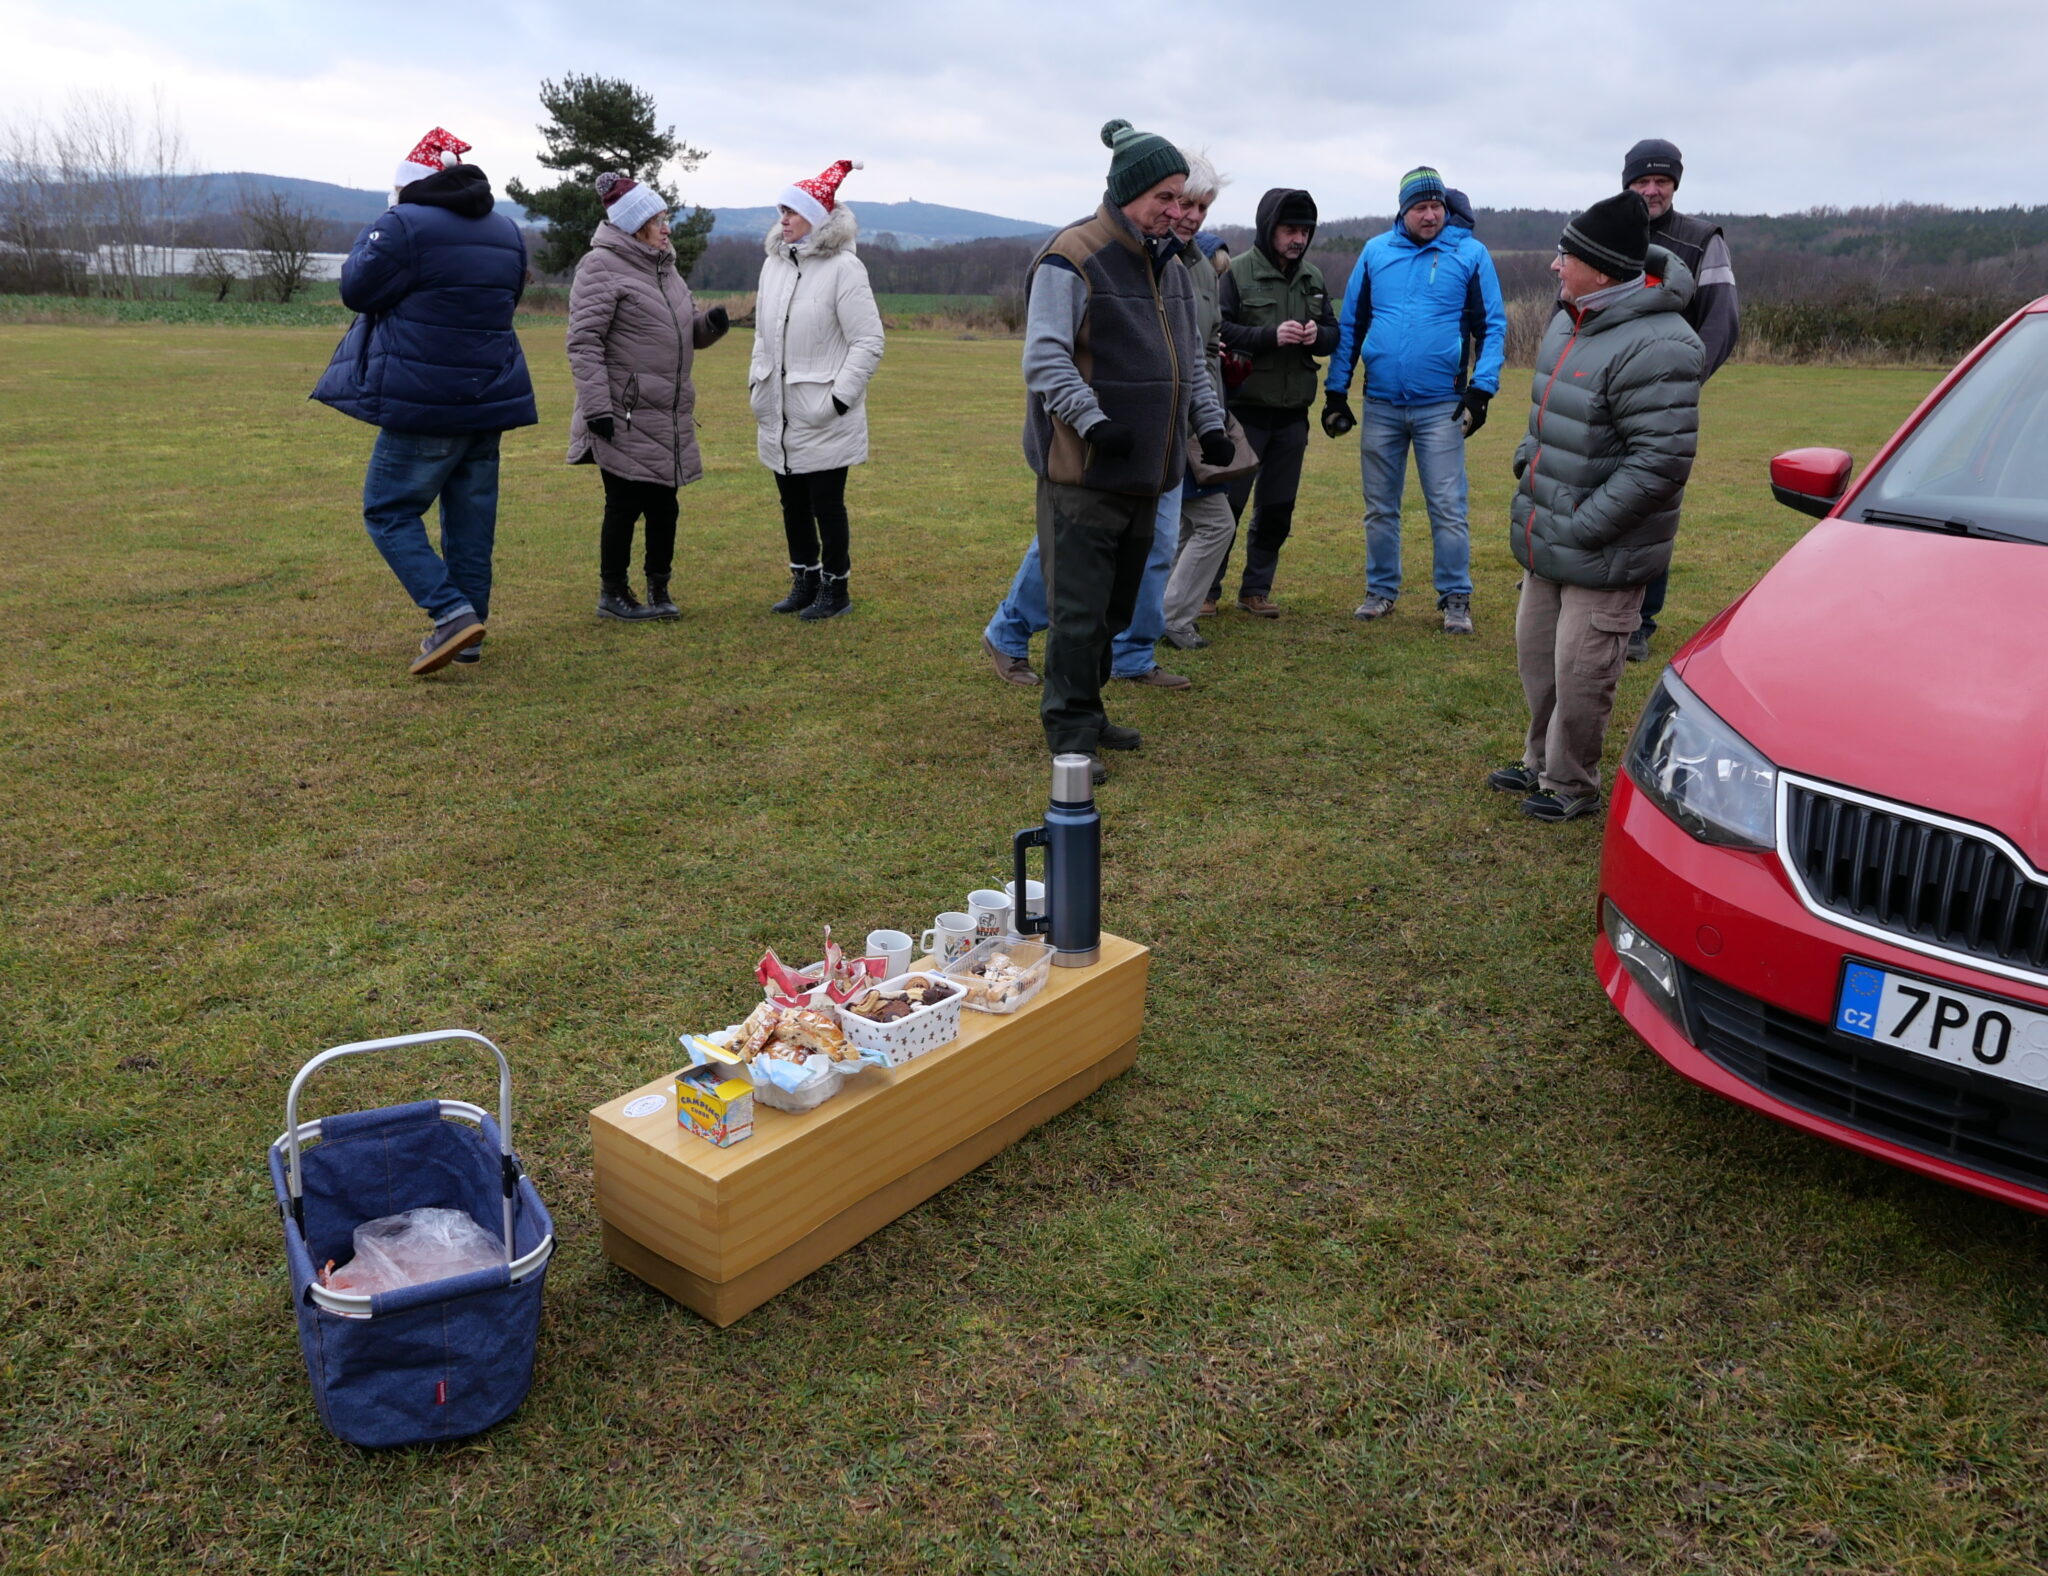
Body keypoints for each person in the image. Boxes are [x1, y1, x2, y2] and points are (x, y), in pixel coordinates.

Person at [1019, 119, 1231, 781]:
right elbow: (1045, 358)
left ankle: (1091, 708)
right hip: (1083, 471)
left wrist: (1210, 425)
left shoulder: (1171, 266)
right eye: (1164, 197)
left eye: (1181, 198)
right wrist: (1093, 422)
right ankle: (1070, 735)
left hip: (1148, 473)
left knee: (1113, 609)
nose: (1175, 210)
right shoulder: (1072, 255)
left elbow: (1190, 362)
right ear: (1128, 192)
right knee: (1079, 612)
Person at [1489, 191, 1702, 822]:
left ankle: (1571, 782)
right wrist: (1528, 460)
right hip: (1550, 530)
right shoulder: (1568, 319)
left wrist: (1585, 524)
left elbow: (1660, 461)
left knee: (1583, 670)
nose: (1555, 265)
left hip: (1606, 545)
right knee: (1538, 656)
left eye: (1567, 255)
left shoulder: (1660, 343)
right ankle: (1538, 760)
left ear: (1604, 271)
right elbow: (1548, 414)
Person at [312, 128, 536, 675]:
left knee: (387, 509)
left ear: (409, 186)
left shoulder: (403, 225)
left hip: (425, 398)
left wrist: (383, 221)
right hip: (488, 395)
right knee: (470, 519)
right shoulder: (507, 230)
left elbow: (357, 289)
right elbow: (508, 297)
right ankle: (470, 631)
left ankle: (451, 613)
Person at [1323, 167, 1506, 635]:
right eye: (1420, 207)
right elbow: (1351, 325)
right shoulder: (1375, 253)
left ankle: (1456, 597)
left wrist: (1481, 391)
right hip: (1381, 404)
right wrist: (1337, 392)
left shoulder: (1470, 254)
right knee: (1379, 507)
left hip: (1442, 406)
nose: (1430, 215)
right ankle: (1380, 591)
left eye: (1437, 206)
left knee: (1447, 506)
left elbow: (1492, 327)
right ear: (1403, 210)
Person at [565, 171, 730, 622]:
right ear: (636, 225)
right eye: (659, 220)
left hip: (668, 412)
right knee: (623, 506)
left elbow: (685, 335)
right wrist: (597, 409)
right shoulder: (599, 267)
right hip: (622, 412)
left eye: (666, 219)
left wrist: (710, 325)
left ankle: (659, 588)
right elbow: (584, 342)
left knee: (664, 507)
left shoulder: (666, 268)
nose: (667, 228)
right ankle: (613, 592)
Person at [750, 159, 886, 622]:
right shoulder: (773, 265)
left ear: (816, 217)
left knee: (826, 505)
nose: (783, 218)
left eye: (792, 211)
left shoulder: (845, 269)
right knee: (792, 503)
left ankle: (836, 587)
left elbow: (868, 341)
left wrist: (839, 400)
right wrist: (757, 383)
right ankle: (804, 580)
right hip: (779, 408)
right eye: (782, 210)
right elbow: (762, 336)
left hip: (824, 411)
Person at [1621, 138, 1740, 662]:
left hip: (1664, 403)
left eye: (1662, 181)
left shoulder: (1701, 241)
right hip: (1600, 397)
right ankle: (1588, 604)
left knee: (1651, 507)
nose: (1652, 190)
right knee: (1588, 495)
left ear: (1675, 185)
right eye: (1642, 180)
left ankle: (1639, 622)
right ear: (1627, 183)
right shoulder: (1605, 230)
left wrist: (1683, 383)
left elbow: (1722, 321)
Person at [1204, 187, 1337, 620]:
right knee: (1227, 508)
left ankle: (1256, 590)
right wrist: (1268, 336)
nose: (1299, 239)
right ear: (1269, 228)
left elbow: (1334, 334)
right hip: (1244, 412)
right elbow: (1217, 329)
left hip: (1293, 414)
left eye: (1305, 231)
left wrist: (1318, 336)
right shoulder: (1236, 273)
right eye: (1290, 230)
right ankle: (1205, 591)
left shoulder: (1313, 278)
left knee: (1278, 509)